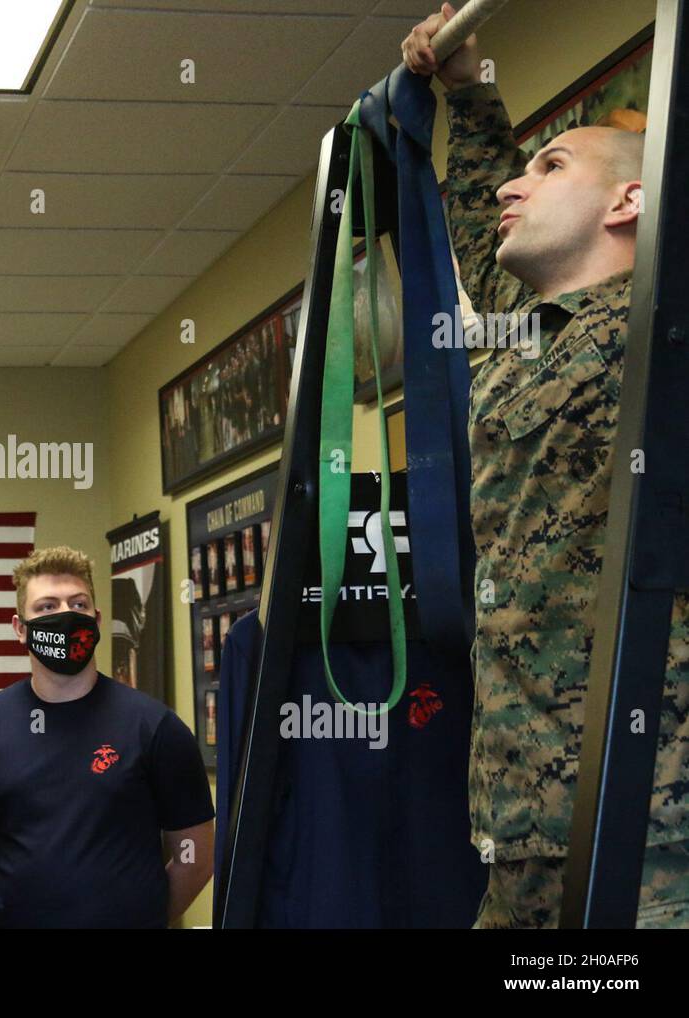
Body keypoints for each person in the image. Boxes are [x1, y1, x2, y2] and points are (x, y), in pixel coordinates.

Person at [404, 4, 688, 927]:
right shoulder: (524, 333)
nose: (512, 189)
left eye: (552, 165)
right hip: (517, 822)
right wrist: (467, 85)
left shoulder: (658, 334)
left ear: (628, 202)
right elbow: (484, 212)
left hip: (645, 824)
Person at [0, 546, 216, 928]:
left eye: (79, 604)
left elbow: (195, 855)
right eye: (47, 607)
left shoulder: (155, 728)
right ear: (20, 628)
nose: (65, 616)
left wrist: (146, 917)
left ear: (97, 620)